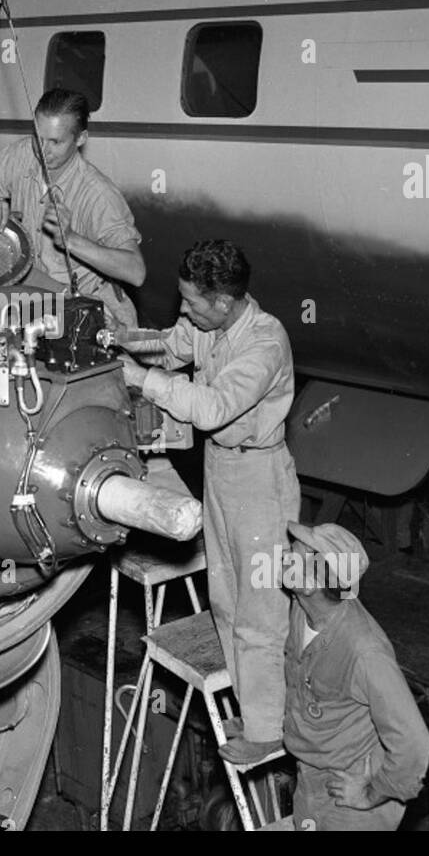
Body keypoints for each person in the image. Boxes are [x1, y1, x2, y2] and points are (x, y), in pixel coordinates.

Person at [118, 239, 297, 761]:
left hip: (260, 479)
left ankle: (268, 734)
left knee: (259, 610)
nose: (183, 310)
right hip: (220, 469)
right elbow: (169, 343)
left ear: (224, 302)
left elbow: (215, 406)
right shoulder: (207, 325)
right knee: (225, 598)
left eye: (192, 302)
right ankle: (253, 709)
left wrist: (140, 379)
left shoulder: (264, 343)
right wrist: (116, 338)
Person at [244, 522, 429, 830]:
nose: (284, 555)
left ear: (310, 584)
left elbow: (414, 742)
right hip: (312, 777)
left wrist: (372, 793)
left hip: (350, 792)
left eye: (294, 554)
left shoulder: (364, 651)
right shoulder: (302, 609)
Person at [0, 87, 145, 329]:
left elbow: (135, 272)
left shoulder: (97, 194)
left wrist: (72, 240)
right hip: (33, 299)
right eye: (38, 137)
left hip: (89, 308)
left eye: (55, 142)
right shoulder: (21, 155)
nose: (42, 150)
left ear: (80, 139)